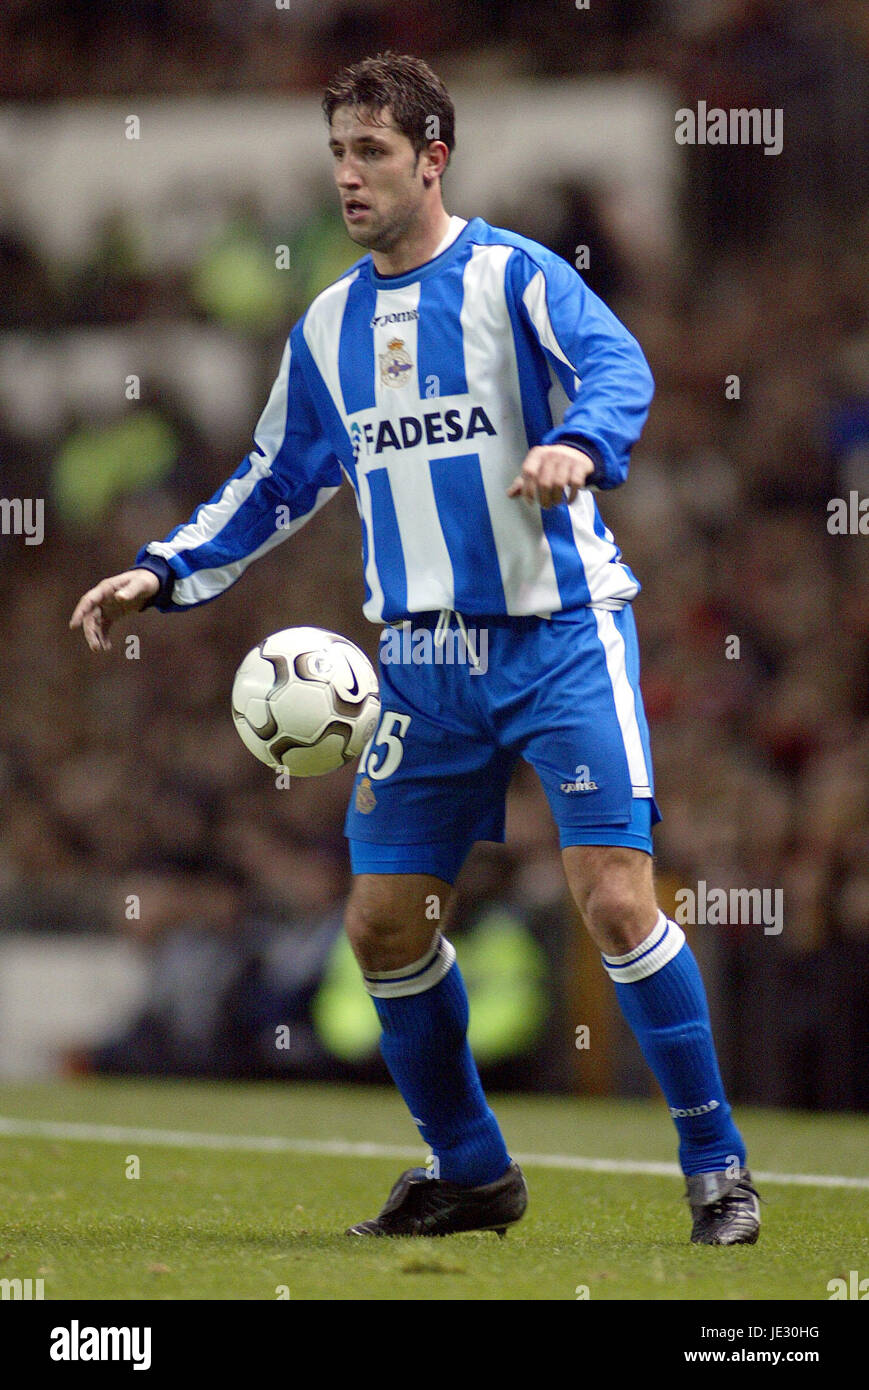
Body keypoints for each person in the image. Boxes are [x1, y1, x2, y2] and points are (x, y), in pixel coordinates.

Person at [70, 52, 760, 1245]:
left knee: (609, 899)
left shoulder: (511, 277)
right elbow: (277, 477)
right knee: (383, 925)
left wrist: (580, 446)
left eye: (371, 152)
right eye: (338, 151)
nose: (347, 174)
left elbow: (618, 364)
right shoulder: (330, 326)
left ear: (431, 159)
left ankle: (716, 1167)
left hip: (557, 636)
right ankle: (470, 1169)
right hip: (422, 664)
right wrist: (166, 569)